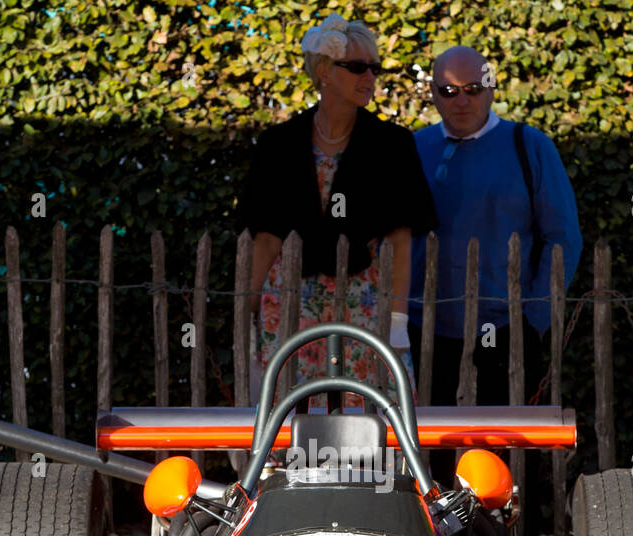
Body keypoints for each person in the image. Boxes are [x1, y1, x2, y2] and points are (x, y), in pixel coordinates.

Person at [236, 15, 436, 410]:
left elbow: (400, 237)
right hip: (291, 302)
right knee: (288, 414)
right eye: (357, 67)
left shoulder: (392, 144)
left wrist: (397, 323)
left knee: (376, 415)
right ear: (325, 71)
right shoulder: (280, 144)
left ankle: (385, 475)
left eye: (374, 68)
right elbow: (266, 237)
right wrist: (248, 309)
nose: (369, 77)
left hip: (364, 301)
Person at [409, 46, 582, 410]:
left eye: (473, 88)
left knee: (508, 450)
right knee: (427, 451)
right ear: (433, 93)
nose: (462, 100)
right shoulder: (414, 148)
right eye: (449, 91)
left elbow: (562, 237)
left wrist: (533, 320)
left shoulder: (529, 146)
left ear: (491, 87)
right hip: (424, 331)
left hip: (505, 331)